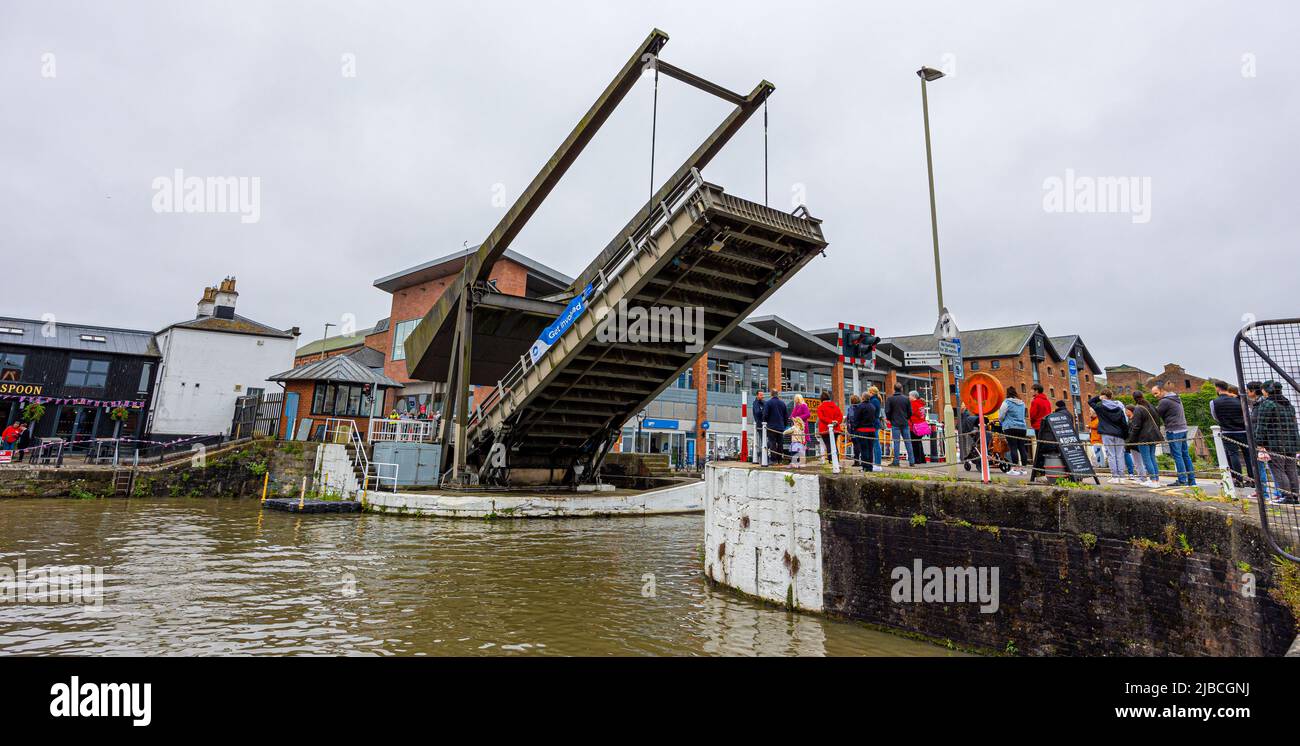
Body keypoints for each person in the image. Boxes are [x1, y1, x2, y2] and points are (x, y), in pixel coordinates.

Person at [1254, 380, 1300, 503]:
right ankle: (1295, 496)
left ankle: (1288, 496)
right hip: (1291, 443)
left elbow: (1262, 425)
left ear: (1265, 391)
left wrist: (1259, 443)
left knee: (1278, 469)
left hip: (1274, 442)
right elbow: (1294, 425)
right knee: (1291, 470)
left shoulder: (1267, 404)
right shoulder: (1288, 404)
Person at [1151, 381, 1196, 486]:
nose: (1155, 396)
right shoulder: (1176, 397)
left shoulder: (1164, 401)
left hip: (1173, 430)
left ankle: (1182, 480)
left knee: (1177, 456)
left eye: (1156, 393)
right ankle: (1191, 480)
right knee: (1185, 455)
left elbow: (1155, 414)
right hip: (1183, 428)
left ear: (1162, 390)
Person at [1210, 379, 1251, 488]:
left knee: (1233, 454)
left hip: (1227, 430)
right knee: (1247, 455)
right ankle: (1252, 479)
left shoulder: (1214, 402)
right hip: (1242, 430)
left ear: (1218, 388)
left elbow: (1215, 416)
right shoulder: (1239, 400)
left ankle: (1238, 479)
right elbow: (1246, 414)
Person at [1089, 390, 1130, 483]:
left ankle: (1115, 476)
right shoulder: (1119, 408)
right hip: (1119, 434)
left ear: (1103, 396)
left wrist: (1098, 398)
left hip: (1107, 433)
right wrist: (1125, 434)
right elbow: (1124, 423)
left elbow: (1090, 402)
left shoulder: (1100, 407)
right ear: (1111, 396)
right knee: (1120, 455)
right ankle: (1122, 477)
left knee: (1111, 455)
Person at [1128, 391, 1164, 487]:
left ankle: (1153, 481)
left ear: (1134, 398)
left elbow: (1136, 426)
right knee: (1152, 458)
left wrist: (1131, 439)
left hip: (1144, 437)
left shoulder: (1138, 409)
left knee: (1146, 459)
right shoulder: (1150, 406)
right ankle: (1156, 480)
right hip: (1153, 436)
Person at [996, 386, 1030, 476]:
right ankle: (1023, 469)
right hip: (1022, 428)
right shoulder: (1022, 403)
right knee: (1022, 447)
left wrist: (1002, 422)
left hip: (1010, 427)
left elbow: (1001, 415)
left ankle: (1014, 469)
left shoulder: (1006, 402)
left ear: (1008, 393)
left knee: (1013, 447)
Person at [885, 384, 913, 466]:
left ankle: (896, 461)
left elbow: (887, 411)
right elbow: (910, 412)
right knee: (908, 442)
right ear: (901, 389)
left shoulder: (890, 399)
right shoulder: (906, 399)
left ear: (894, 389)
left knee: (896, 442)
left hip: (895, 423)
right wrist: (906, 418)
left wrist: (890, 419)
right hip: (904, 422)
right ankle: (912, 461)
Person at [815, 391, 843, 465]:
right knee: (834, 444)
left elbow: (821, 417)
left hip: (825, 429)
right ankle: (836, 460)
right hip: (836, 428)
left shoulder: (820, 407)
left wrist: (830, 422)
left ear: (821, 399)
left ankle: (831, 461)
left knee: (828, 445)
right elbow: (840, 416)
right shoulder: (835, 406)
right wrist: (836, 422)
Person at [765, 390, 789, 463]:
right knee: (780, 443)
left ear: (771, 394)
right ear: (777, 395)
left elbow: (765, 415)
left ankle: (774, 460)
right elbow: (786, 416)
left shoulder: (768, 403)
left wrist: (766, 422)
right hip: (781, 427)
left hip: (771, 427)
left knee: (772, 443)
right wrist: (784, 425)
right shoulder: (783, 403)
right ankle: (780, 460)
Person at [865, 386, 884, 468]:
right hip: (874, 423)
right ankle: (876, 463)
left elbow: (872, 413)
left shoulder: (874, 401)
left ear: (871, 392)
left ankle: (878, 464)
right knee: (875, 444)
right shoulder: (875, 400)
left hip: (874, 424)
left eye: (868, 392)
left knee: (876, 444)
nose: (868, 393)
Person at [752, 390, 768, 456]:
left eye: (763, 395)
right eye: (761, 395)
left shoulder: (764, 402)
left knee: (767, 441)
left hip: (766, 425)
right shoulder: (755, 403)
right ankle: (763, 455)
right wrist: (764, 412)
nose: (762, 396)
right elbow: (757, 412)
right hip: (760, 425)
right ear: (757, 395)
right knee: (763, 441)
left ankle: (765, 454)